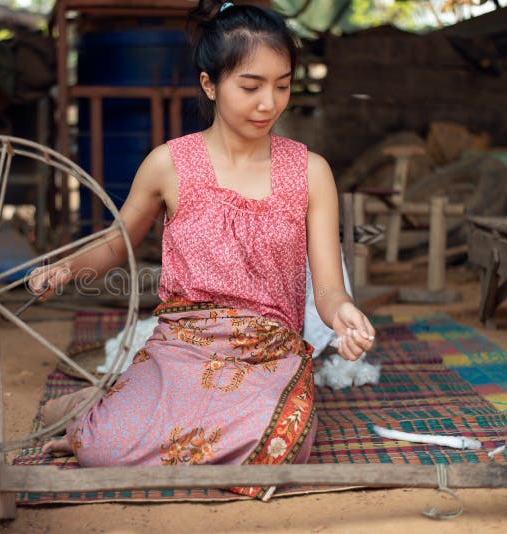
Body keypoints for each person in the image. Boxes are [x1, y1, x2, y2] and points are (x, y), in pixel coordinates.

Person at [28, 0, 375, 498]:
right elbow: (115, 243)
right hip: (182, 349)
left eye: (282, 86)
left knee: (278, 442)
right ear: (210, 85)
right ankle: (103, 408)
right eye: (251, 87)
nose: (268, 104)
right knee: (103, 450)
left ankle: (124, 406)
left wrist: (343, 314)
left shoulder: (311, 172)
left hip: (266, 356)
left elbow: (326, 287)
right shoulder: (169, 164)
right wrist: (65, 266)